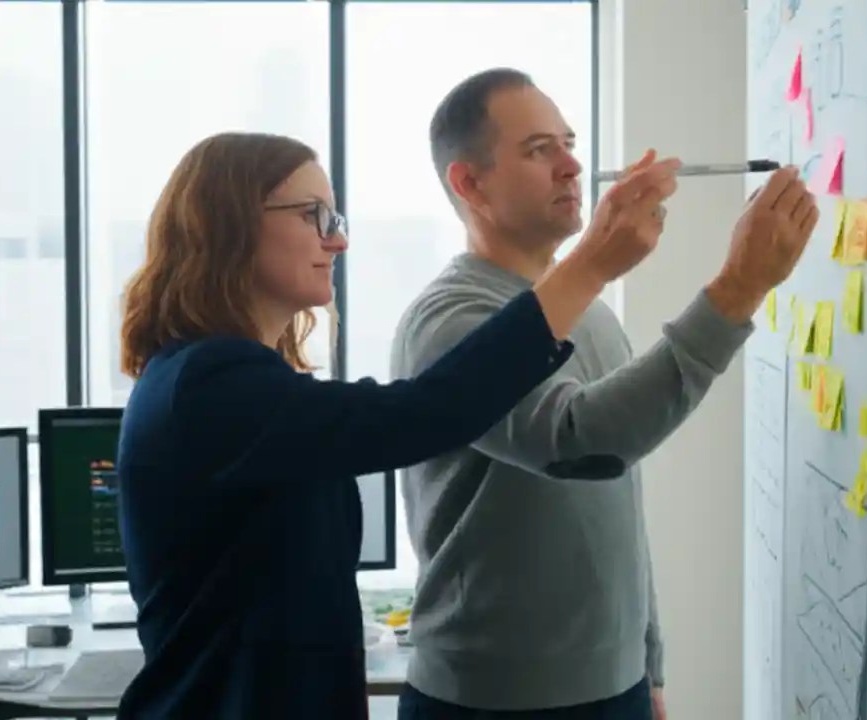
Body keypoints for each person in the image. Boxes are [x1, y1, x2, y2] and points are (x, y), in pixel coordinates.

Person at [111, 130, 681, 718]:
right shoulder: (209, 385)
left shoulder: (225, 378)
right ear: (226, 223)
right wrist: (590, 266)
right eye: (314, 215)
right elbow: (426, 412)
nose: (338, 240)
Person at [391, 68, 817, 719]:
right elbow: (583, 444)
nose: (572, 165)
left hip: (615, 688)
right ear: (469, 183)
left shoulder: (587, 309)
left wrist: (647, 662)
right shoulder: (447, 318)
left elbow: (621, 494)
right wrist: (738, 287)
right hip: (492, 701)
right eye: (539, 150)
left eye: (568, 142)